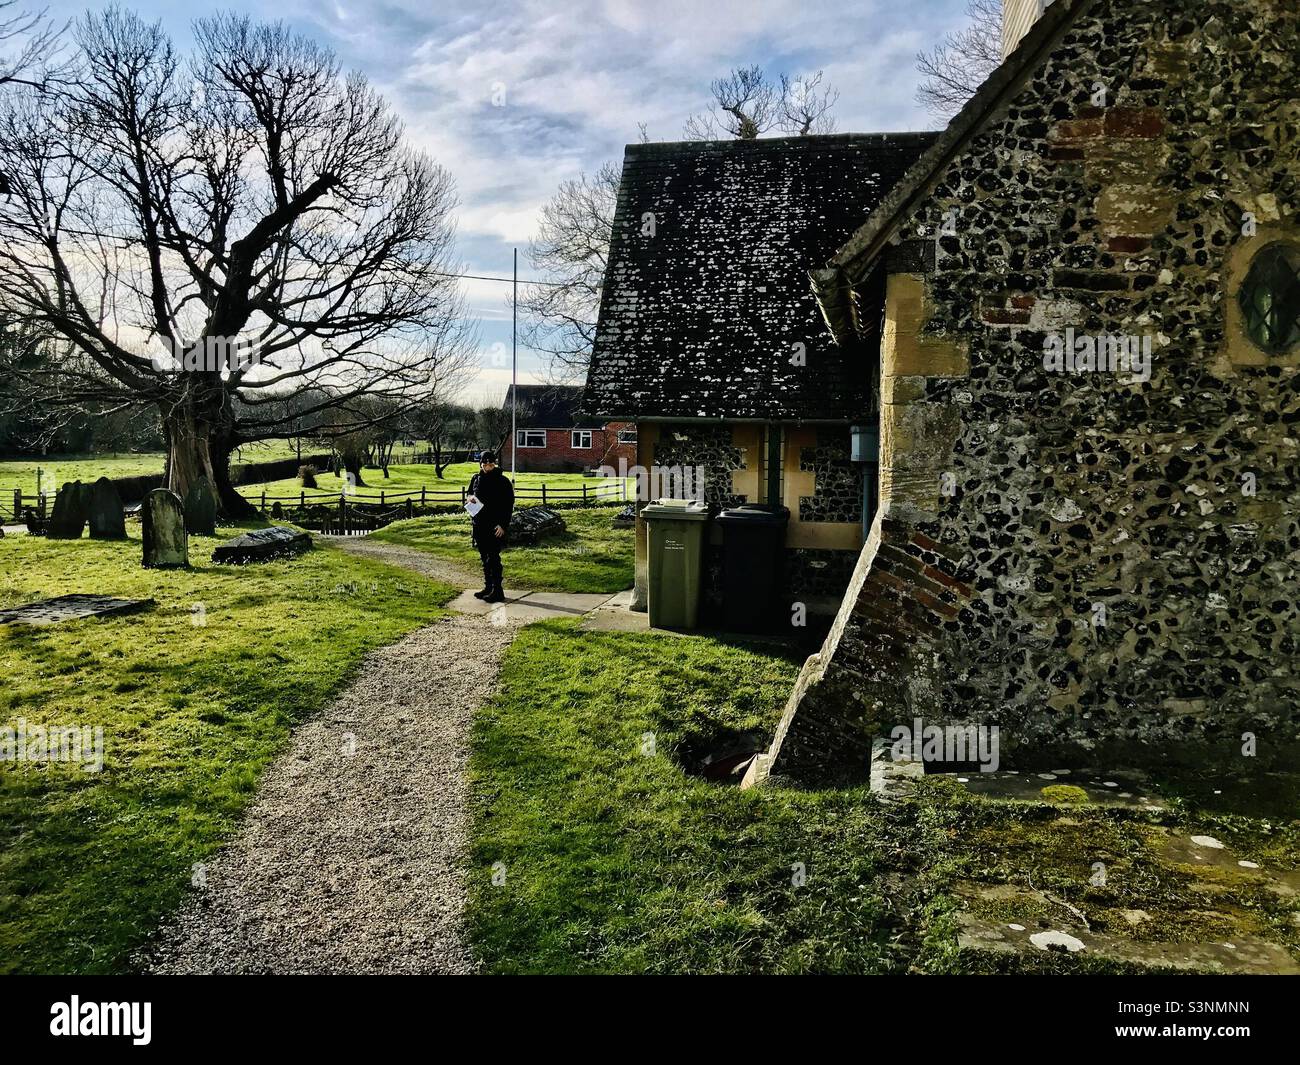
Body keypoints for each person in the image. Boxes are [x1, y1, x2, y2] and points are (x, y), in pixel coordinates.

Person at [466, 450, 514, 603]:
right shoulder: (476, 478)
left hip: (495, 525)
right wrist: (470, 500)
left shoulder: (503, 481)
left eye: (491, 464)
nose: (488, 466)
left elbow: (508, 505)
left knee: (493, 558)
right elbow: (469, 495)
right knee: (484, 557)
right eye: (485, 464)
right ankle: (488, 587)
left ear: (495, 464)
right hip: (479, 524)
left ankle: (498, 590)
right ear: (481, 464)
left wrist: (503, 525)